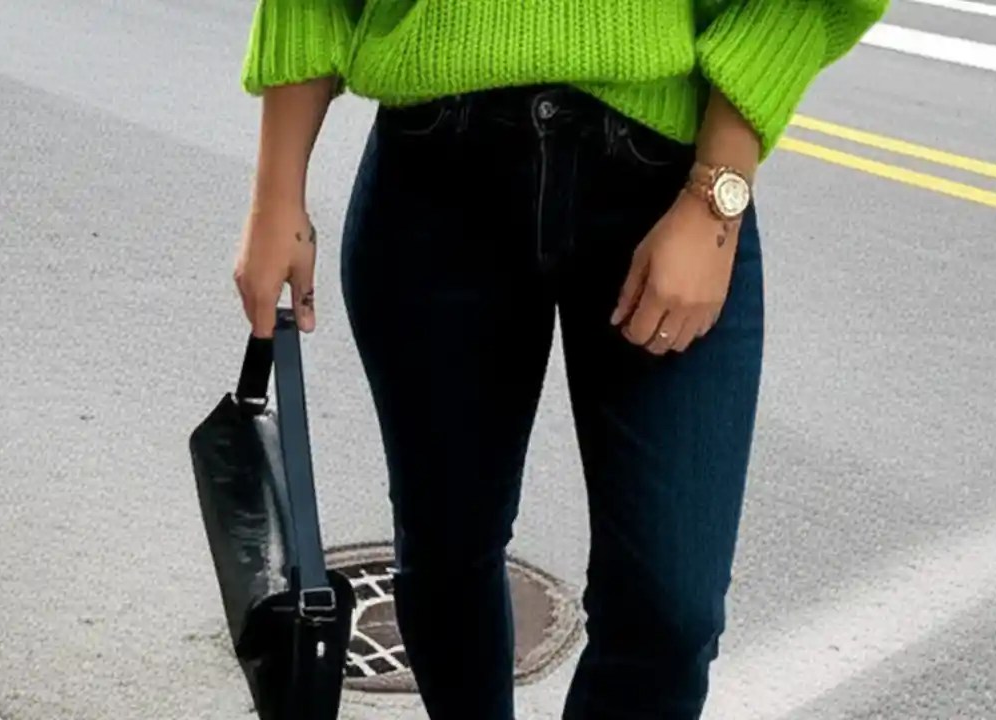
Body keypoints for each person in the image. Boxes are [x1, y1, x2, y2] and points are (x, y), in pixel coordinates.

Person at [233, 1, 886, 717]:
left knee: (671, 608)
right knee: (448, 558)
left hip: (666, 186)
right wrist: (276, 195)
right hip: (435, 175)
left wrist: (715, 196)